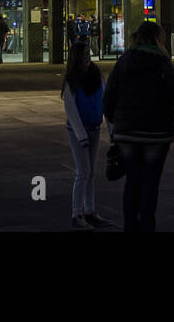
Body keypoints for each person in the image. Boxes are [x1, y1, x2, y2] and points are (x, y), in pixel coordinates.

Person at [102, 20, 174, 232]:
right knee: (150, 183)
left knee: (132, 181)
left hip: (127, 131)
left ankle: (130, 226)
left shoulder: (125, 60)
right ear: (159, 39)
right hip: (156, 131)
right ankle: (147, 225)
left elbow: (108, 98)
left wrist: (116, 122)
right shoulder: (162, 62)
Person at [61, 41, 113, 230]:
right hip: (78, 130)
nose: (87, 59)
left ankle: (90, 210)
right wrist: (81, 135)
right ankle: (77, 213)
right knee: (83, 171)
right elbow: (71, 110)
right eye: (84, 56)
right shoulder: (72, 80)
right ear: (76, 58)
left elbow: (106, 102)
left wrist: (112, 130)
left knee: (91, 172)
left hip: (94, 128)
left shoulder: (96, 75)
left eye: (88, 55)